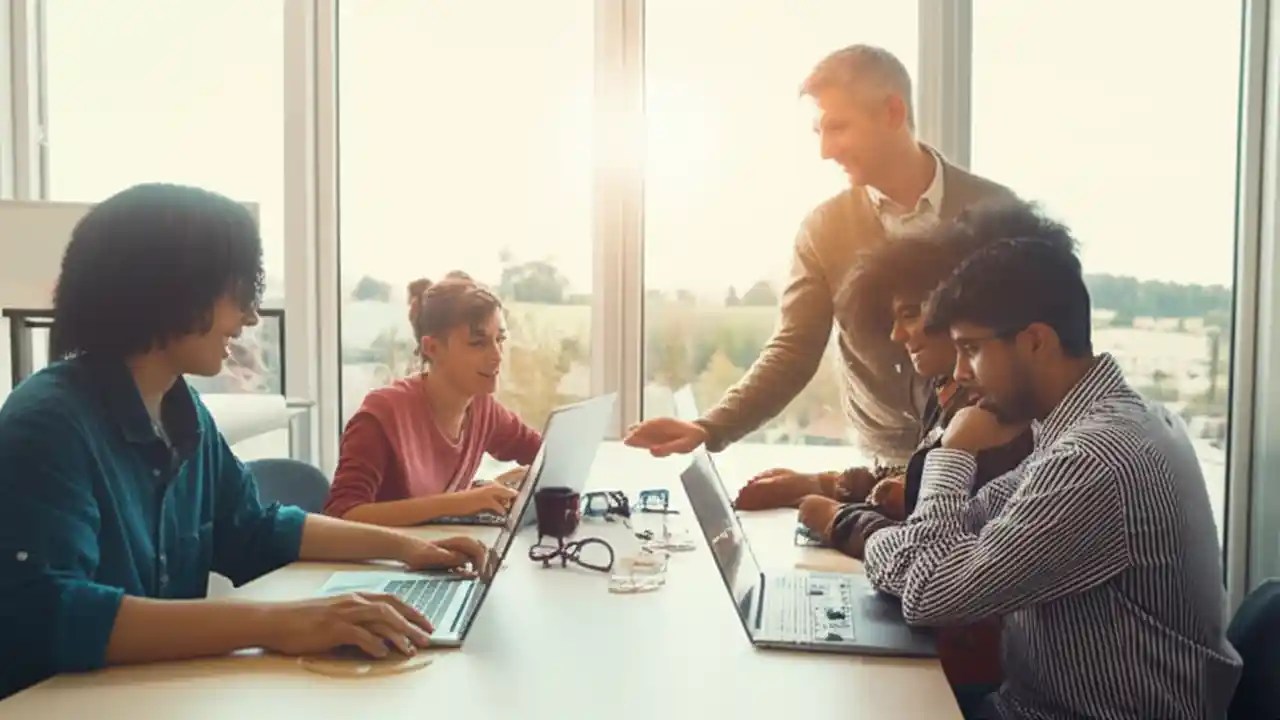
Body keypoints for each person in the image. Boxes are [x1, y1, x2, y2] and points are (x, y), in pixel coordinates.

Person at [0, 184, 488, 700]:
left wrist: (411, 550)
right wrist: (278, 624)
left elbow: (254, 528)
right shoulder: (47, 424)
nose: (251, 317)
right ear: (169, 291)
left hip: (147, 697)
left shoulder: (182, 412)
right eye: (235, 294)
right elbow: (49, 613)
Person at [862, 232, 1242, 718]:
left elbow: (929, 594)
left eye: (971, 349)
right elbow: (961, 529)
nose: (958, 373)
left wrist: (954, 450)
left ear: (1036, 341)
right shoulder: (1101, 425)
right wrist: (892, 547)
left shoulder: (1095, 460)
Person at [624, 44, 1016, 466]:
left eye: (839, 128)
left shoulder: (998, 214)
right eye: (820, 132)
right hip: (881, 466)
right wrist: (710, 426)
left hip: (986, 461)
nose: (826, 151)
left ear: (892, 114)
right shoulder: (823, 230)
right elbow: (793, 349)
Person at [734, 202, 1046, 703]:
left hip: (980, 671)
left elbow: (935, 576)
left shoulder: (1002, 420)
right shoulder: (948, 395)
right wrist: (827, 487)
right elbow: (923, 503)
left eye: (909, 315)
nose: (898, 335)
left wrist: (838, 518)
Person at [324, 273, 541, 526]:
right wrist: (463, 501)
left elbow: (544, 453)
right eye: (478, 343)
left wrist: (520, 479)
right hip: (379, 563)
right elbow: (341, 516)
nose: (497, 356)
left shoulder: (482, 408)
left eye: (500, 339)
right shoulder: (382, 415)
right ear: (432, 349)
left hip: (437, 557)